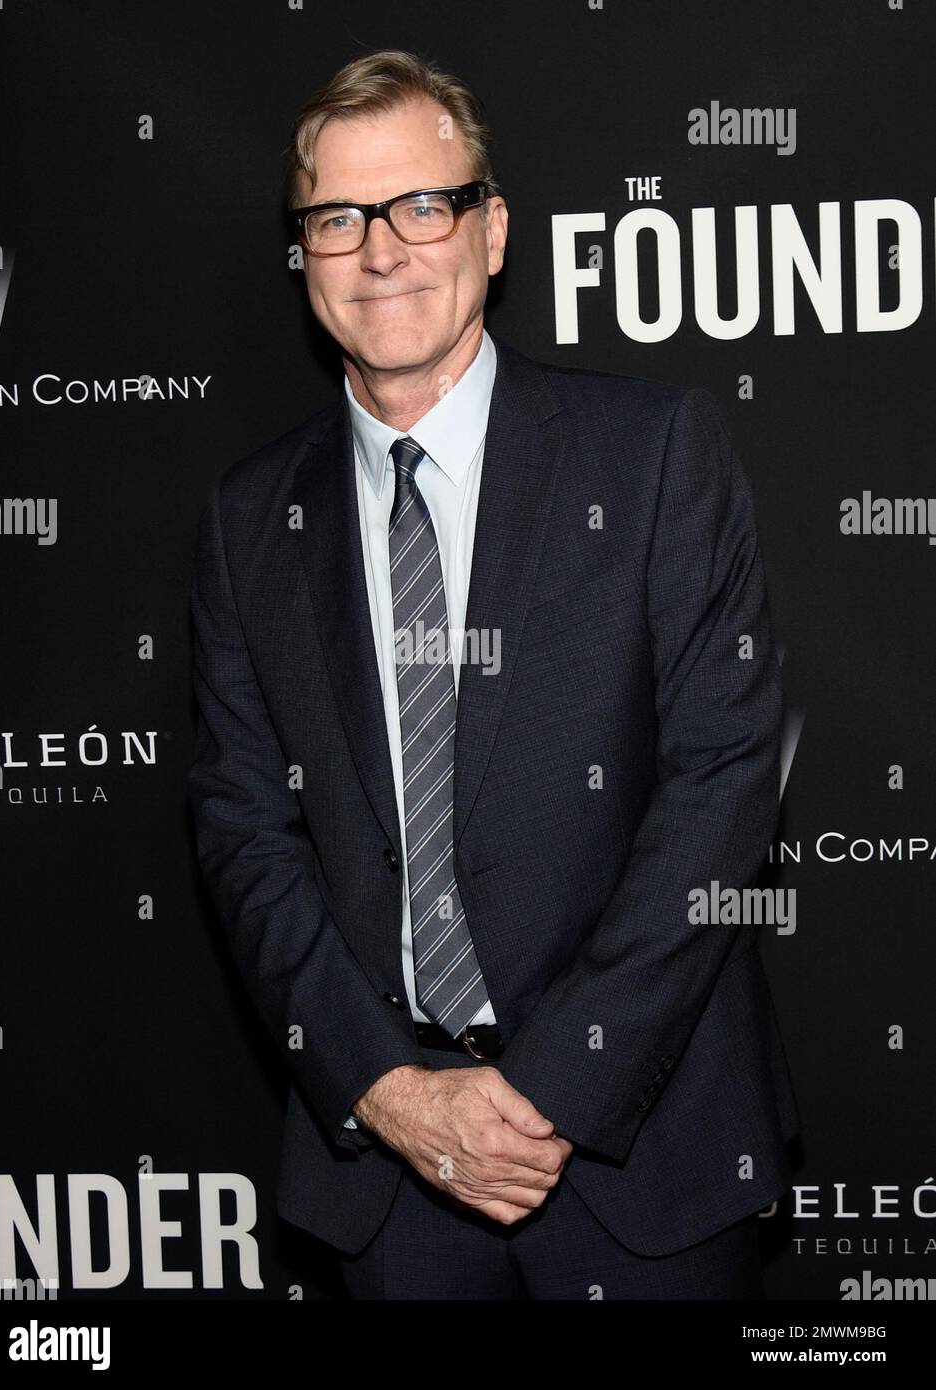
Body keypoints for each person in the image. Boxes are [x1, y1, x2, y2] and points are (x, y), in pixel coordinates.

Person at [187, 48, 800, 1300]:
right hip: (385, 1184)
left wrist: (548, 1089)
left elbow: (724, 780)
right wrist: (393, 1093)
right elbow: (244, 832)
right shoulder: (250, 520)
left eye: (423, 204)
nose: (381, 250)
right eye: (337, 217)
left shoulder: (648, 456)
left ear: (492, 228)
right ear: (302, 251)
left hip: (642, 1159)